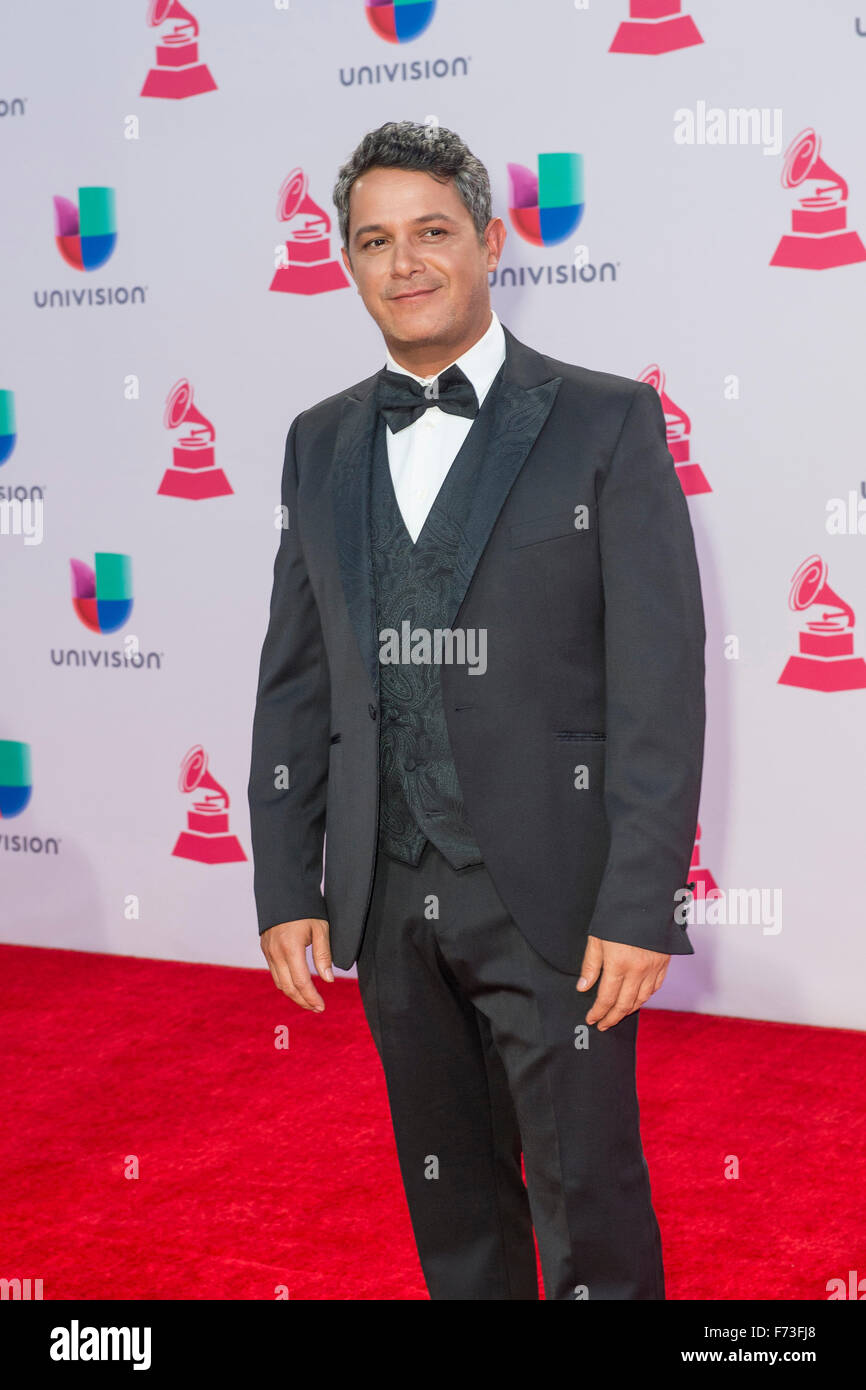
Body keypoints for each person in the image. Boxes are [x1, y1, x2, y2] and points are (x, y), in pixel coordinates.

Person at [247, 120, 706, 1301]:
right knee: (450, 1204)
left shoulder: (606, 420)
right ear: (347, 263)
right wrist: (286, 880)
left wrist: (640, 900)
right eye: (373, 241)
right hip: (385, 889)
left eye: (432, 232)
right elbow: (295, 673)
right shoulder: (316, 440)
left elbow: (657, 682)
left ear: (490, 243)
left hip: (558, 891)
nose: (403, 263)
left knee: (587, 1203)